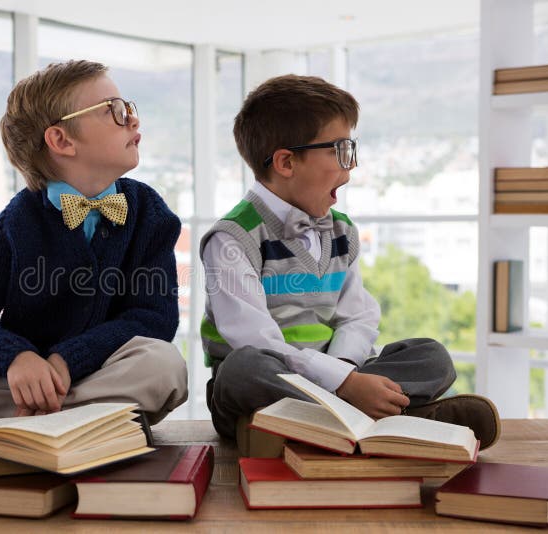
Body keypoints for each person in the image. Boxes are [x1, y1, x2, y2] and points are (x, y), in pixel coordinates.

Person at [0, 60, 188, 464]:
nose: (131, 119)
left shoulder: (148, 212)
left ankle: (8, 429)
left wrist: (66, 360)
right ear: (62, 140)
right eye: (113, 109)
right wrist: (16, 358)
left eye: (128, 108)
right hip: (16, 383)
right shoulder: (14, 224)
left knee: (164, 366)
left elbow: (154, 318)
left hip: (94, 373)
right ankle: (89, 425)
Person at [201, 74, 500, 454]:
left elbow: (357, 315)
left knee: (432, 356)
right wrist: (341, 382)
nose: (352, 165)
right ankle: (402, 423)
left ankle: (339, 422)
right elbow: (255, 339)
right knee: (243, 369)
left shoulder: (341, 230)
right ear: (287, 161)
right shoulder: (231, 238)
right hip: (268, 382)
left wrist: (346, 370)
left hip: (333, 375)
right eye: (341, 151)